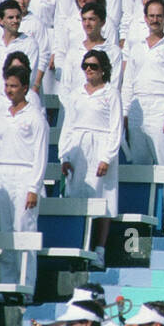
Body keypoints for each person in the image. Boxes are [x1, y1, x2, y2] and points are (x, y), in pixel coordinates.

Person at [121, 0, 164, 235]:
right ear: (145, 17)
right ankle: (144, 217)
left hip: (162, 107)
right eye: (151, 15)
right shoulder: (137, 47)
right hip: (138, 108)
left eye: (159, 16)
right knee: (140, 166)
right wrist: (126, 113)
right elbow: (127, 83)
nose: (155, 20)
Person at [0, 64, 47, 291]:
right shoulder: (0, 116)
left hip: (25, 176)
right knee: (5, 233)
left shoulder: (35, 116)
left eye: (14, 86)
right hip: (2, 176)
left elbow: (41, 154)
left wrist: (34, 187)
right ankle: (6, 286)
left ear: (25, 88)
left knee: (24, 230)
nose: (9, 90)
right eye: (6, 86)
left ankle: (26, 286)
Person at [59, 49, 121, 262]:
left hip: (101, 148)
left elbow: (116, 128)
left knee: (103, 198)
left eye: (93, 66)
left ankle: (100, 250)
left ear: (103, 70)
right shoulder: (76, 94)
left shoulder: (111, 93)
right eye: (85, 65)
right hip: (78, 149)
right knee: (77, 196)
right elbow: (68, 126)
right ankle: (77, 245)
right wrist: (64, 156)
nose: (88, 70)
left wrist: (107, 157)